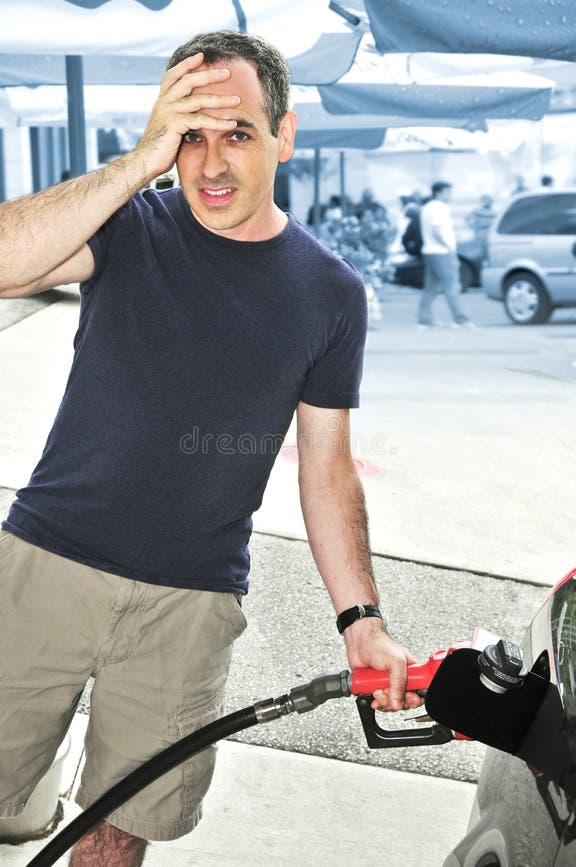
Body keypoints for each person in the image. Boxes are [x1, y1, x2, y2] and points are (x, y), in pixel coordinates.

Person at [0, 31, 422, 866]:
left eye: (237, 132)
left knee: (120, 836)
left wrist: (361, 619)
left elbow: (327, 467)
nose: (212, 163)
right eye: (191, 135)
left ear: (285, 135)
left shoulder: (330, 293)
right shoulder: (128, 227)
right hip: (47, 565)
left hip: (190, 606)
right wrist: (138, 161)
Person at [417, 181, 473, 329]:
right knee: (452, 285)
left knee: (430, 287)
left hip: (429, 251)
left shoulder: (426, 208)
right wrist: (449, 248)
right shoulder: (440, 208)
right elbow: (437, 230)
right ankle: (461, 319)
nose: (451, 195)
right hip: (442, 252)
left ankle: (424, 320)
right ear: (439, 192)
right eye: (448, 192)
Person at [465, 193, 496, 261]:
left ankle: (488, 261)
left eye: (489, 200)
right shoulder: (477, 211)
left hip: (489, 232)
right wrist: (472, 226)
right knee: (479, 248)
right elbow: (467, 218)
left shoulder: (494, 212)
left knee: (488, 247)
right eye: (485, 200)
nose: (488, 202)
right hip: (480, 231)